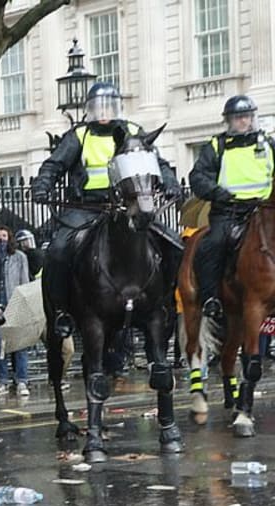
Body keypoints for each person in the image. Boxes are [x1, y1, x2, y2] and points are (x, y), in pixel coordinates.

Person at [31, 82, 182, 338]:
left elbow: (159, 163)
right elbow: (54, 164)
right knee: (57, 251)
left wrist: (170, 182)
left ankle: (165, 302)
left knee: (173, 243)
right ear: (90, 110)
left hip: (128, 206)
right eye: (98, 108)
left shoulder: (134, 131)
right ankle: (60, 312)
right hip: (88, 207)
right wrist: (43, 185)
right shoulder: (80, 135)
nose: (103, 113)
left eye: (108, 107)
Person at [189, 94, 275, 322]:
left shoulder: (267, 144)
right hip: (230, 212)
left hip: (263, 210)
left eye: (247, 117)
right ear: (229, 121)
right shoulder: (217, 146)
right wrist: (217, 192)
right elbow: (198, 176)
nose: (244, 122)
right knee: (212, 244)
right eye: (238, 118)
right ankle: (210, 297)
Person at [0, 226, 32, 397]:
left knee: (20, 345)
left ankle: (22, 380)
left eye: (4, 235)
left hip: (15, 302)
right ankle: (3, 381)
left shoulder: (19, 257)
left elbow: (24, 280)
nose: (1, 239)